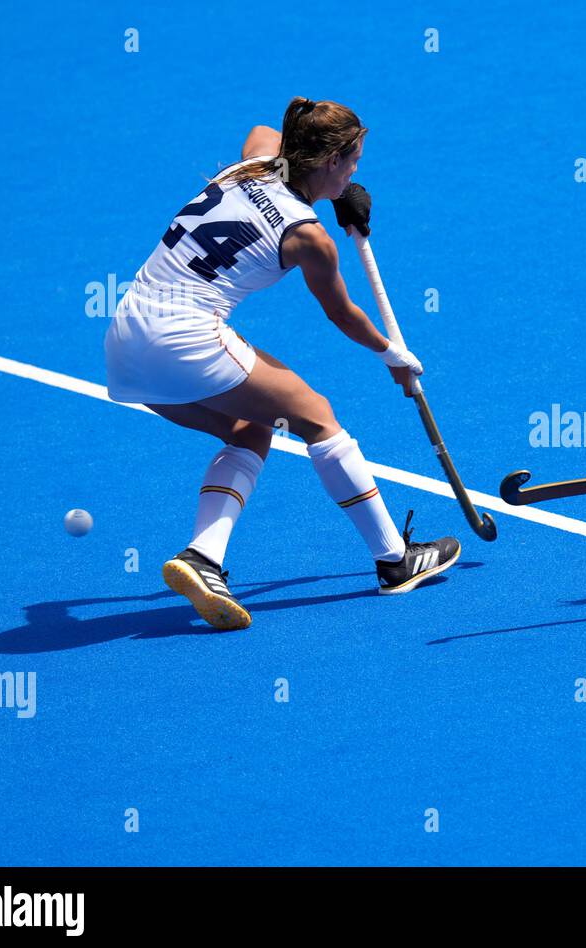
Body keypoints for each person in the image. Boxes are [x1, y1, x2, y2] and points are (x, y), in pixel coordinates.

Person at [104, 97, 461, 630]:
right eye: (353, 163)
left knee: (249, 430)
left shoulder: (252, 163)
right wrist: (393, 353)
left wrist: (335, 193)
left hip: (125, 341)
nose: (356, 173)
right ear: (331, 159)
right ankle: (394, 560)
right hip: (186, 340)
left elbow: (264, 131)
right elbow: (341, 313)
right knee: (317, 417)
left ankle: (203, 559)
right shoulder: (308, 237)